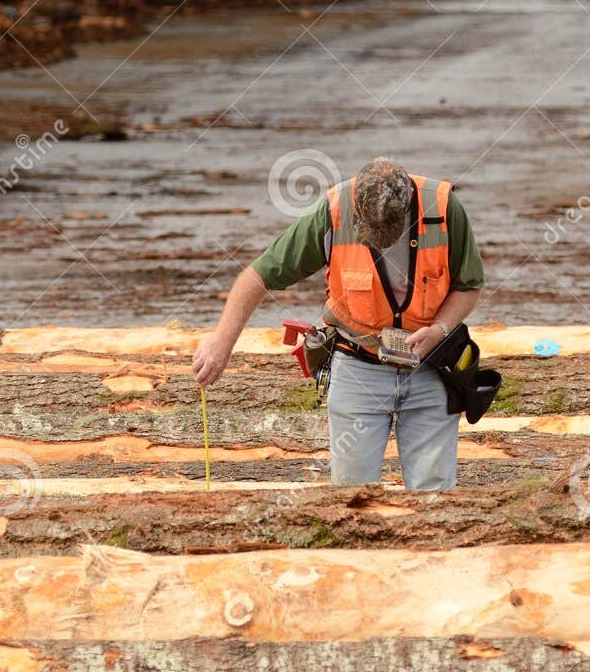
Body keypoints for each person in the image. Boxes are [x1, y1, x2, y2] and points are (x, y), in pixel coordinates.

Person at [192, 158, 484, 490]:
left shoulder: (444, 209)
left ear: (407, 212)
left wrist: (439, 330)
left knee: (435, 496)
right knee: (351, 498)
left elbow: (468, 285)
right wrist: (221, 343)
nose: (376, 243)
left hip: (430, 369)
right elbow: (258, 276)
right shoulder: (334, 210)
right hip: (358, 369)